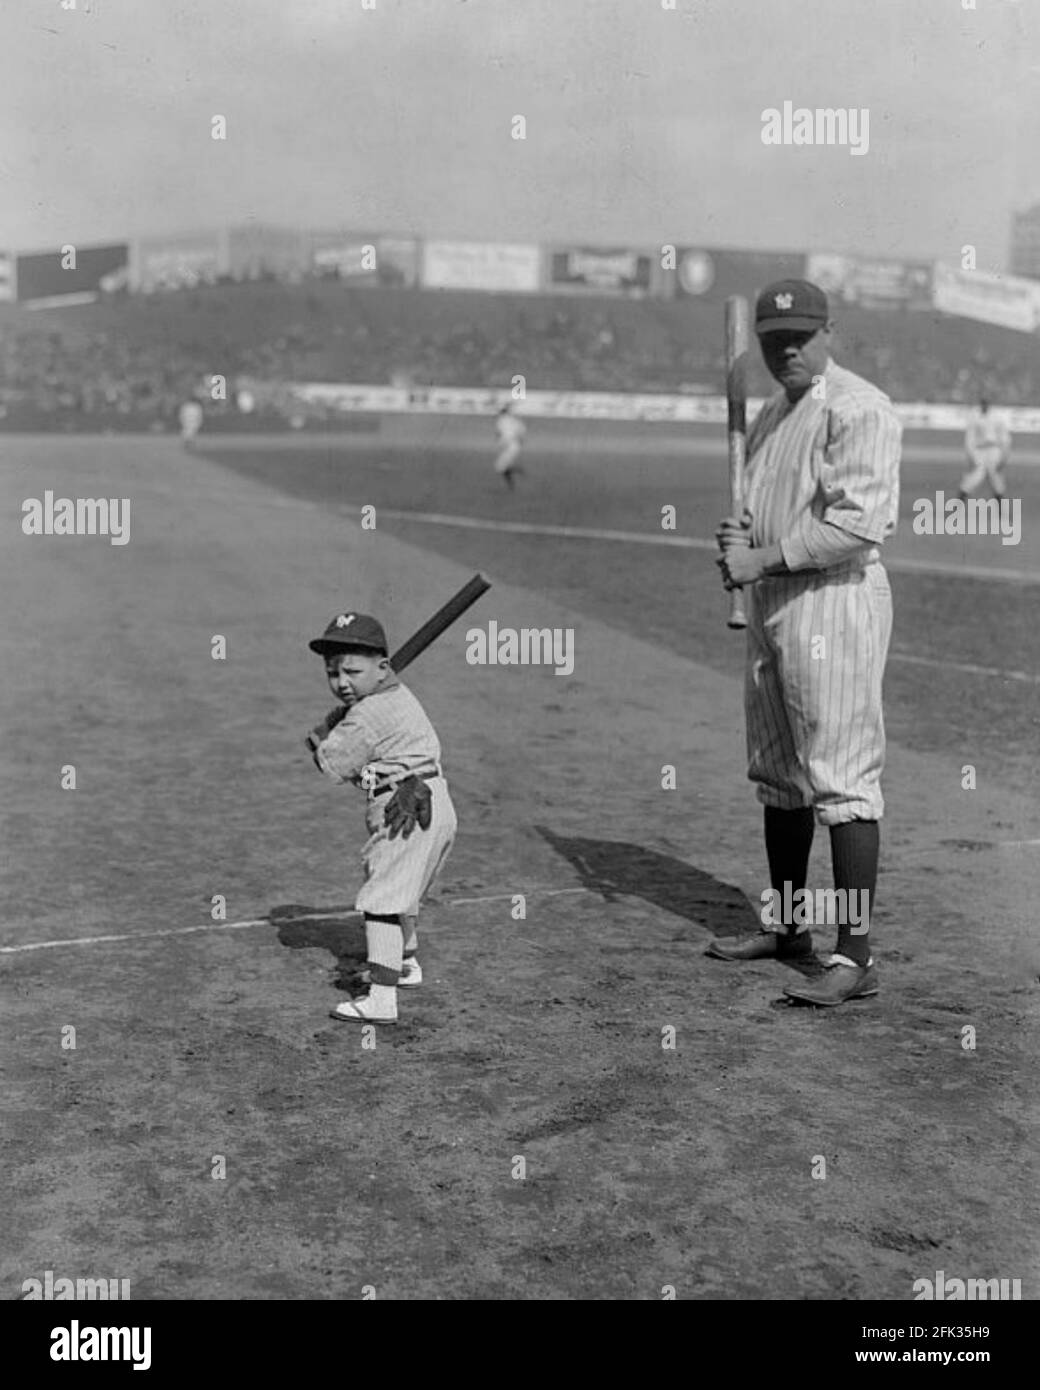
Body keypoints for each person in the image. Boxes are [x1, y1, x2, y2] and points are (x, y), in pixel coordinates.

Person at [711, 279, 902, 1007]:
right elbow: (763, 515)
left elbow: (859, 525)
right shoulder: (772, 411)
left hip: (836, 602)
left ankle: (855, 957)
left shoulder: (859, 407)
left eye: (801, 335)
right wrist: (739, 540)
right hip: (775, 602)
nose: (787, 348)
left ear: (830, 332)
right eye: (773, 338)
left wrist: (759, 558)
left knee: (842, 778)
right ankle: (791, 927)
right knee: (779, 770)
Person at [305, 612, 457, 1025]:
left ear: (383, 668)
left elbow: (334, 766)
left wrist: (321, 741)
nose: (342, 682)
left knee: (383, 900)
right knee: (400, 888)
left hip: (405, 807)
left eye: (353, 671)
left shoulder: (367, 715)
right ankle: (405, 964)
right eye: (333, 673)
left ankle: (382, 999)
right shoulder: (395, 696)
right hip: (433, 802)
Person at [958, 394, 1010, 502]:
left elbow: (1004, 437)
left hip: (994, 449)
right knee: (977, 473)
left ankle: (1000, 505)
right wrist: (970, 454)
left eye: (986, 403)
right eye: (983, 403)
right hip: (980, 450)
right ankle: (961, 499)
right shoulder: (975, 417)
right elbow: (970, 438)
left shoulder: (997, 417)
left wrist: (1005, 455)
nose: (984, 405)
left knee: (994, 475)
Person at [493, 402, 526, 489]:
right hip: (515, 446)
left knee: (499, 467)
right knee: (501, 466)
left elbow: (498, 434)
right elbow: (522, 431)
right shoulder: (515, 420)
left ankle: (518, 472)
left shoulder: (500, 421)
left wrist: (499, 441)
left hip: (510, 447)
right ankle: (512, 484)